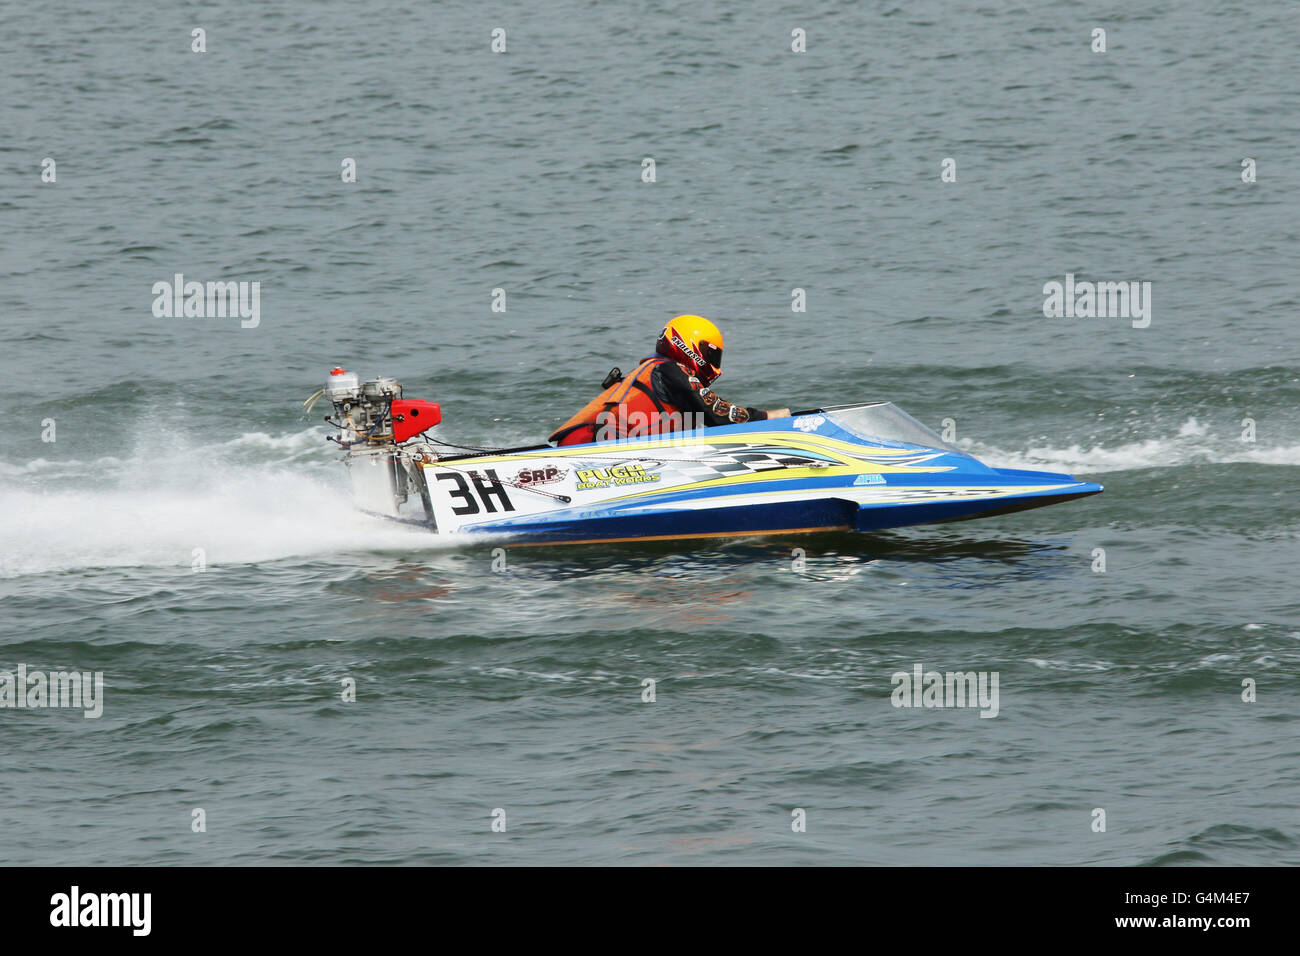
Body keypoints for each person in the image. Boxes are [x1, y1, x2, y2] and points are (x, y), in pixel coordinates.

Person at [549, 315, 790, 446]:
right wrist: (768, 418)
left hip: (597, 450)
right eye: (711, 354)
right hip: (584, 452)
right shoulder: (671, 372)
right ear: (690, 348)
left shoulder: (656, 370)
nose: (714, 363)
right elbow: (716, 414)